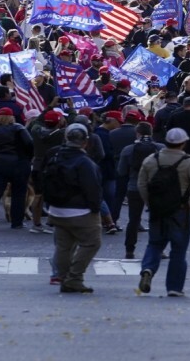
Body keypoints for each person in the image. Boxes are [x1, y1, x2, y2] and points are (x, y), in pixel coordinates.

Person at [136, 127, 190, 297]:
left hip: (158, 209)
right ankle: (174, 287)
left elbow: (142, 185)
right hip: (180, 210)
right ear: (183, 143)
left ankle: (148, 269)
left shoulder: (152, 160)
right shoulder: (189, 162)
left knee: (155, 243)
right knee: (178, 250)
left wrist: (150, 202)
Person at [42, 123, 103, 294]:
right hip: (79, 209)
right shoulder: (85, 162)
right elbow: (93, 188)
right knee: (92, 242)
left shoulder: (55, 155)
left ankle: (62, 275)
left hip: (56, 208)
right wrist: (96, 208)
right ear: (85, 142)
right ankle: (74, 277)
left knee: (64, 245)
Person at [115, 122, 161, 260]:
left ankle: (130, 249)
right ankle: (158, 248)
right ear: (151, 133)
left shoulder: (128, 149)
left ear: (137, 133)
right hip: (156, 188)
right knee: (157, 220)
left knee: (133, 220)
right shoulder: (160, 148)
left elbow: (121, 171)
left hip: (134, 187)